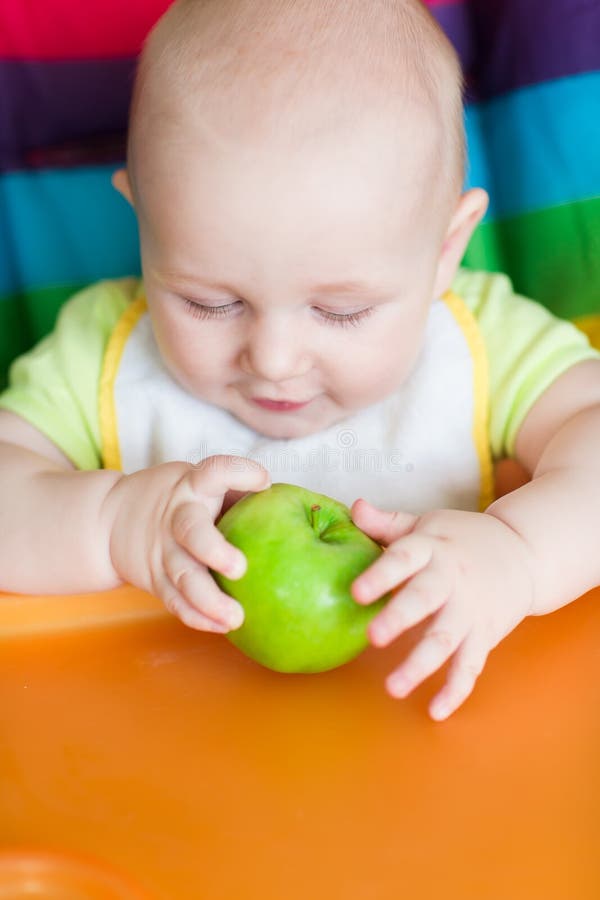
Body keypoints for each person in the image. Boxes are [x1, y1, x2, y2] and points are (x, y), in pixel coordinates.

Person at [1, 0, 599, 721]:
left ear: (445, 250)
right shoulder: (102, 351)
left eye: (341, 311)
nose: (275, 361)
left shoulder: (483, 344)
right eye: (210, 302)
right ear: (145, 224)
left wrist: (522, 555)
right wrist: (110, 525)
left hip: (417, 738)